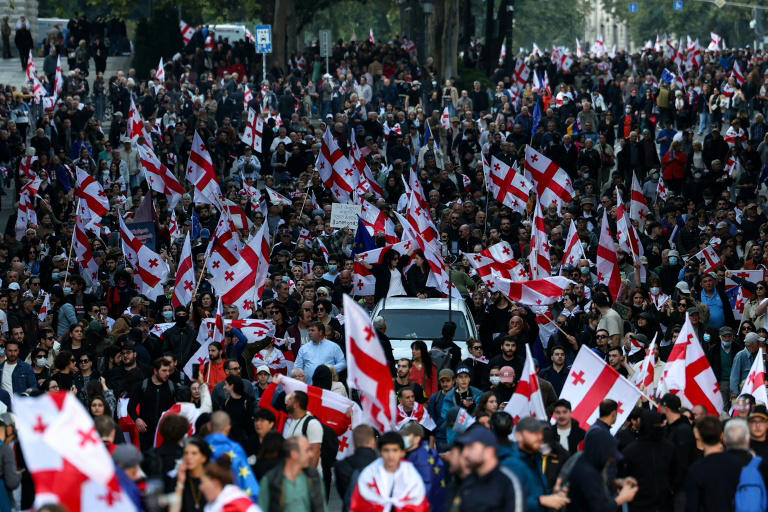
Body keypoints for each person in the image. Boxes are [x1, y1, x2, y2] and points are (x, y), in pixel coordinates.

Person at [686, 417, 768, 512]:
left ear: (724, 439)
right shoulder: (759, 465)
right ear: (748, 439)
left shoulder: (701, 467)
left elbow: (692, 505)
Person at [501, 417, 570, 511]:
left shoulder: (536, 457)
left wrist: (555, 493)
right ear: (519, 436)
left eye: (540, 433)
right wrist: (541, 501)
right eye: (533, 433)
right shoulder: (510, 462)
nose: (539, 437)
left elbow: (538, 491)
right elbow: (507, 501)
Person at [349, 431, 429, 511]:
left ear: (402, 452)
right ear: (380, 452)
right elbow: (359, 505)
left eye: (395, 450)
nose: (391, 455)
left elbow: (419, 505)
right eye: (386, 450)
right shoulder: (368, 475)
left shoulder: (412, 477)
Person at [456, 425, 525, 511]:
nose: (464, 453)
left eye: (470, 447)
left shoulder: (507, 482)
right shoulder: (468, 481)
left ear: (489, 451)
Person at [258, 436, 326, 512]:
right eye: (307, 450)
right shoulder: (271, 480)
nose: (311, 454)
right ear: (294, 454)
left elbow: (322, 508)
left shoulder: (313, 477)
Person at [334, 425, 378, 508]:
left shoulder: (341, 466)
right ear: (373, 441)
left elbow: (344, 493)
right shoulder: (382, 465)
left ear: (353, 442)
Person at [168, 438, 213, 512]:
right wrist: (180, 483)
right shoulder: (177, 479)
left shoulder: (212, 480)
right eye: (186, 453)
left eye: (194, 453)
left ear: (204, 458)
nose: (189, 457)